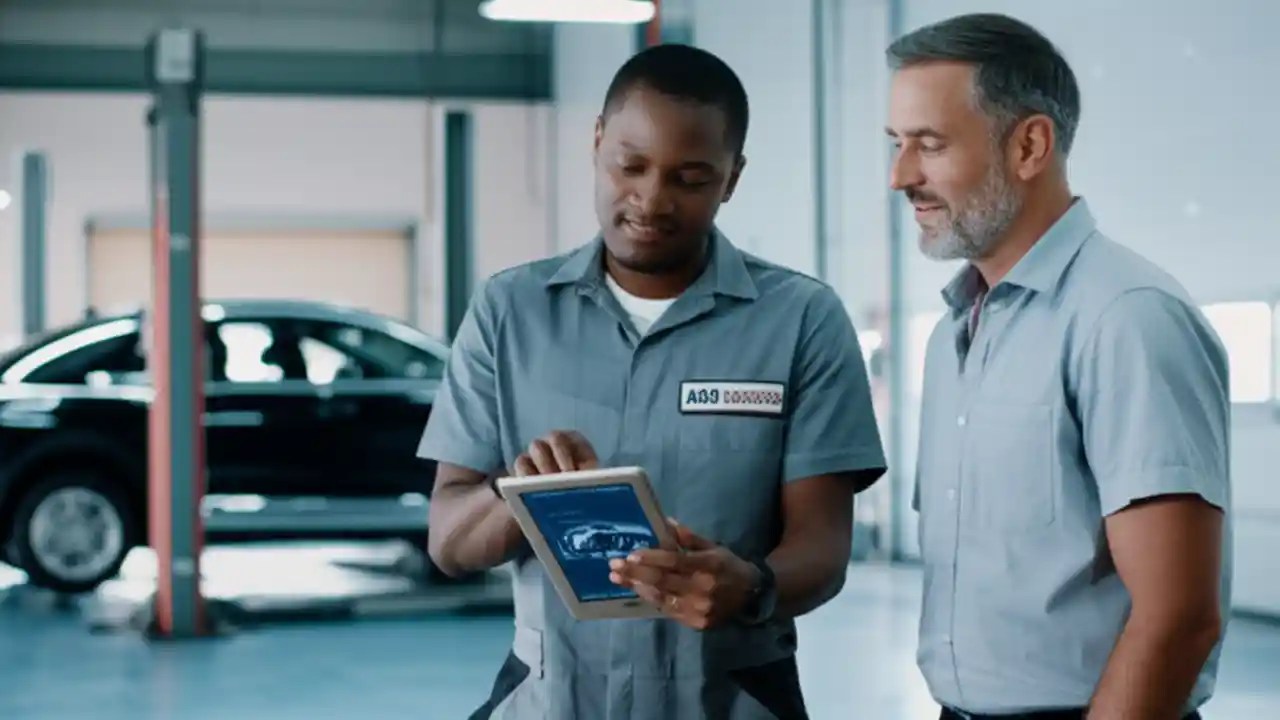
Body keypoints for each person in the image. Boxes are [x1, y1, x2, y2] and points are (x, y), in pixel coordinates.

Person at [418, 43, 887, 720]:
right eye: (630, 166)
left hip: (731, 700)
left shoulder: (801, 321)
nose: (651, 199)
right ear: (597, 143)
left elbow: (823, 548)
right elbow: (449, 542)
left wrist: (749, 587)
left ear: (732, 178)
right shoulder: (508, 312)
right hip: (550, 702)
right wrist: (521, 497)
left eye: (690, 178)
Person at [885, 13, 1231, 720]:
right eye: (896, 144)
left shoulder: (1125, 319)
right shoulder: (955, 333)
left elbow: (1178, 616)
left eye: (930, 144)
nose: (900, 177)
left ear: (1030, 146)